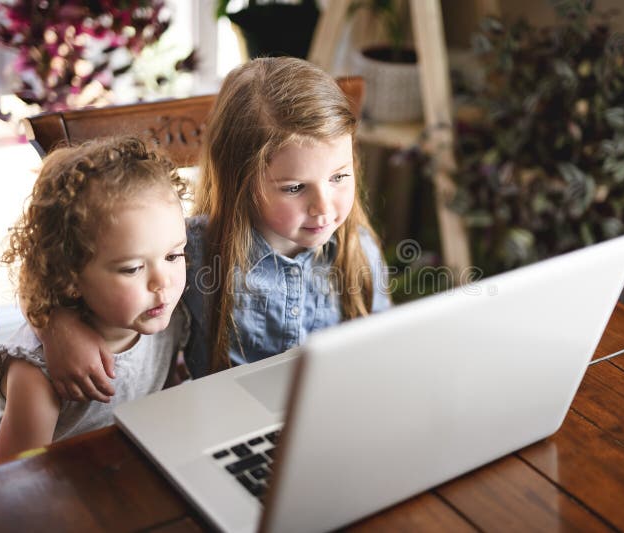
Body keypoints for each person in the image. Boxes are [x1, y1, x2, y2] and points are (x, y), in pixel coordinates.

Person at [39, 56, 392, 401]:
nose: (325, 207)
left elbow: (383, 347)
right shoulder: (185, 251)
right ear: (241, 180)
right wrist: (58, 326)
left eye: (339, 177)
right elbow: (52, 272)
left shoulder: (357, 248)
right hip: (222, 426)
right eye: (295, 188)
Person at [0, 136, 190, 464]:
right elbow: (14, 483)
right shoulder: (39, 372)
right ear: (71, 277)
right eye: (132, 268)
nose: (163, 281)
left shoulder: (167, 318)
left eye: (174, 255)